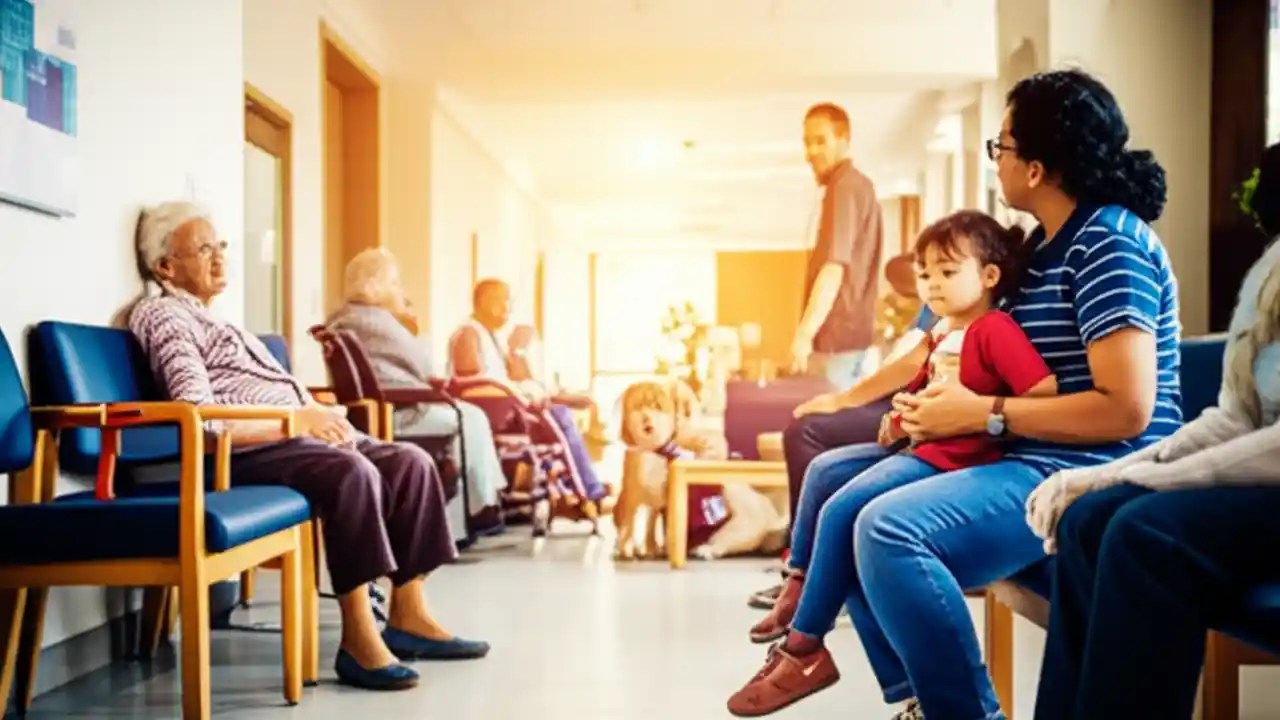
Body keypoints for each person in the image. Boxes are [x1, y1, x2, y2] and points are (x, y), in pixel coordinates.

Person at [725, 68, 1180, 720]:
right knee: (839, 487)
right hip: (1026, 448)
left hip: (1093, 468)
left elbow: (1126, 410)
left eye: (1001, 147)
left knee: (886, 528)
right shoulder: (1038, 249)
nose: (995, 161)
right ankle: (909, 697)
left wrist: (984, 416)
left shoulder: (1110, 241)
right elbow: (951, 347)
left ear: (1037, 167)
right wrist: (920, 413)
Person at [127, 202, 489, 692]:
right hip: (244, 451)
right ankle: (360, 637)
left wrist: (319, 416)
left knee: (410, 462)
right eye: (203, 249)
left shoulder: (217, 319)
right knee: (350, 472)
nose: (219, 258)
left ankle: (409, 614)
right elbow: (199, 414)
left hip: (289, 435)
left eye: (221, 247)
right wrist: (295, 420)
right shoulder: (164, 315)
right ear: (165, 267)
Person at [730, 210, 1058, 714]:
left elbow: (1042, 394)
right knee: (825, 474)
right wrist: (897, 418)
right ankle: (802, 587)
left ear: (990, 276)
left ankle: (803, 646)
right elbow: (920, 388)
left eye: (948, 272)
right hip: (925, 446)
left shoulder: (993, 330)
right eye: (926, 274)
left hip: (954, 459)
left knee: (845, 513)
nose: (932, 284)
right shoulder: (945, 333)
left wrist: (983, 416)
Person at [1026, 141, 1280, 720]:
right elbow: (1233, 418)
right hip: (1259, 483)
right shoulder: (1271, 274)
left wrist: (1150, 481)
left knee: (1145, 535)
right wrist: (1103, 478)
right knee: (1089, 519)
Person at [326, 248, 509, 524]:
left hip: (380, 408)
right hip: (402, 411)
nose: (401, 290)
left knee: (468, 416)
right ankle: (480, 506)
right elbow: (424, 367)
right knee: (471, 417)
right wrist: (413, 327)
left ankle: (478, 501)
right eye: (395, 283)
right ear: (375, 286)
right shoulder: (377, 322)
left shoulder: (344, 319)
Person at [448, 278, 608, 505]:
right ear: (484, 302)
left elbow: (518, 377)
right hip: (494, 414)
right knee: (560, 415)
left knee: (562, 411)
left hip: (511, 407)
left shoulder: (490, 335)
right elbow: (469, 381)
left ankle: (581, 488)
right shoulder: (468, 333)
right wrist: (521, 395)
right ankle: (589, 492)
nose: (507, 309)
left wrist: (518, 350)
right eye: (502, 301)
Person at [791, 102, 883, 390]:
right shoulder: (861, 186)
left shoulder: (843, 187)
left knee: (822, 427)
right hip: (853, 340)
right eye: (807, 142)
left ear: (844, 140)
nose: (811, 152)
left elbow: (833, 269)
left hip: (836, 342)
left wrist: (803, 335)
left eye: (821, 141)